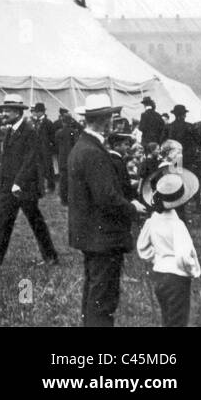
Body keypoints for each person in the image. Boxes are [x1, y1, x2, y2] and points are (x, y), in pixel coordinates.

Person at [67, 94, 145, 327]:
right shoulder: (93, 152)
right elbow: (107, 197)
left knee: (94, 291)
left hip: (91, 234)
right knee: (104, 296)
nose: (114, 122)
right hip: (103, 236)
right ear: (105, 120)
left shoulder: (84, 147)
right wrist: (132, 207)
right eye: (112, 117)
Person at [0, 94, 59, 266]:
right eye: (4, 110)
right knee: (2, 220)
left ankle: (50, 257)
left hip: (25, 186)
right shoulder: (11, 130)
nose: (4, 113)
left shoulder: (29, 131)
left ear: (18, 113)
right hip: (8, 186)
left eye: (8, 110)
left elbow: (31, 160)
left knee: (35, 221)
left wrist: (18, 182)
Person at [137, 167, 201, 326]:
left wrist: (158, 257)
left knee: (167, 317)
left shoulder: (152, 221)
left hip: (159, 274)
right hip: (177, 278)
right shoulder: (177, 225)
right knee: (178, 320)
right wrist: (193, 271)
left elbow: (142, 247)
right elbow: (183, 256)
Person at [54, 107, 81, 205]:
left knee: (63, 178)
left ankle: (63, 198)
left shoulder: (59, 132)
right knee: (72, 178)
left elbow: (56, 143)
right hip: (71, 157)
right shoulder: (74, 132)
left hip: (61, 157)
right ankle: (71, 197)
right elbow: (76, 144)